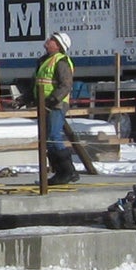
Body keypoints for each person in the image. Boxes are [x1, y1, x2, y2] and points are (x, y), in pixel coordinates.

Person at [34, 31, 77, 184]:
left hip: (56, 105)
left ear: (58, 45)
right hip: (45, 104)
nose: (48, 40)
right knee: (48, 139)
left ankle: (68, 171)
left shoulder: (61, 61)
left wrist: (52, 100)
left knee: (54, 136)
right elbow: (37, 84)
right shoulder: (44, 61)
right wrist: (22, 99)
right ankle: (60, 172)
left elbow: (65, 85)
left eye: (52, 39)